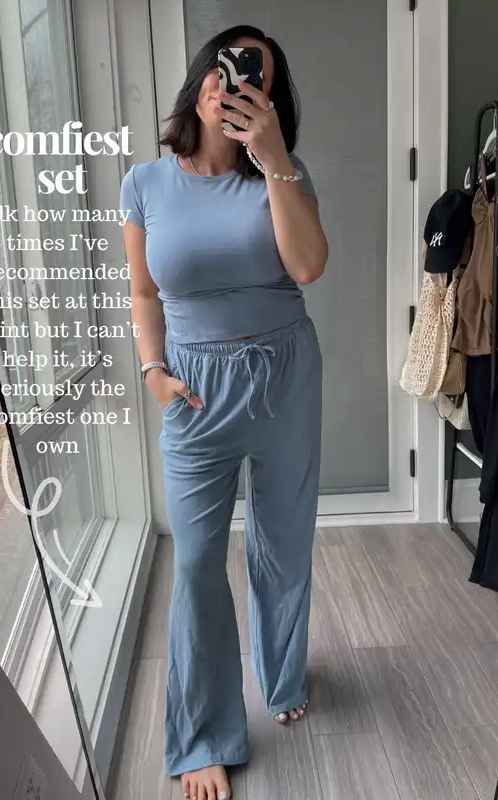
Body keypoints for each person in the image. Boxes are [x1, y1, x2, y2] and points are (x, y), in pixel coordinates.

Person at [120, 24, 327, 800]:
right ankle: (205, 732)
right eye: (223, 65)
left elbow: (307, 265)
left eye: (252, 75)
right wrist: (153, 369)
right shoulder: (144, 182)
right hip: (195, 389)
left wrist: (274, 161)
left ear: (268, 100)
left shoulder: (284, 172)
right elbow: (145, 292)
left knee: (283, 542)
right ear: (200, 78)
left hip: (284, 376)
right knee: (198, 561)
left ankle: (281, 674)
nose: (230, 81)